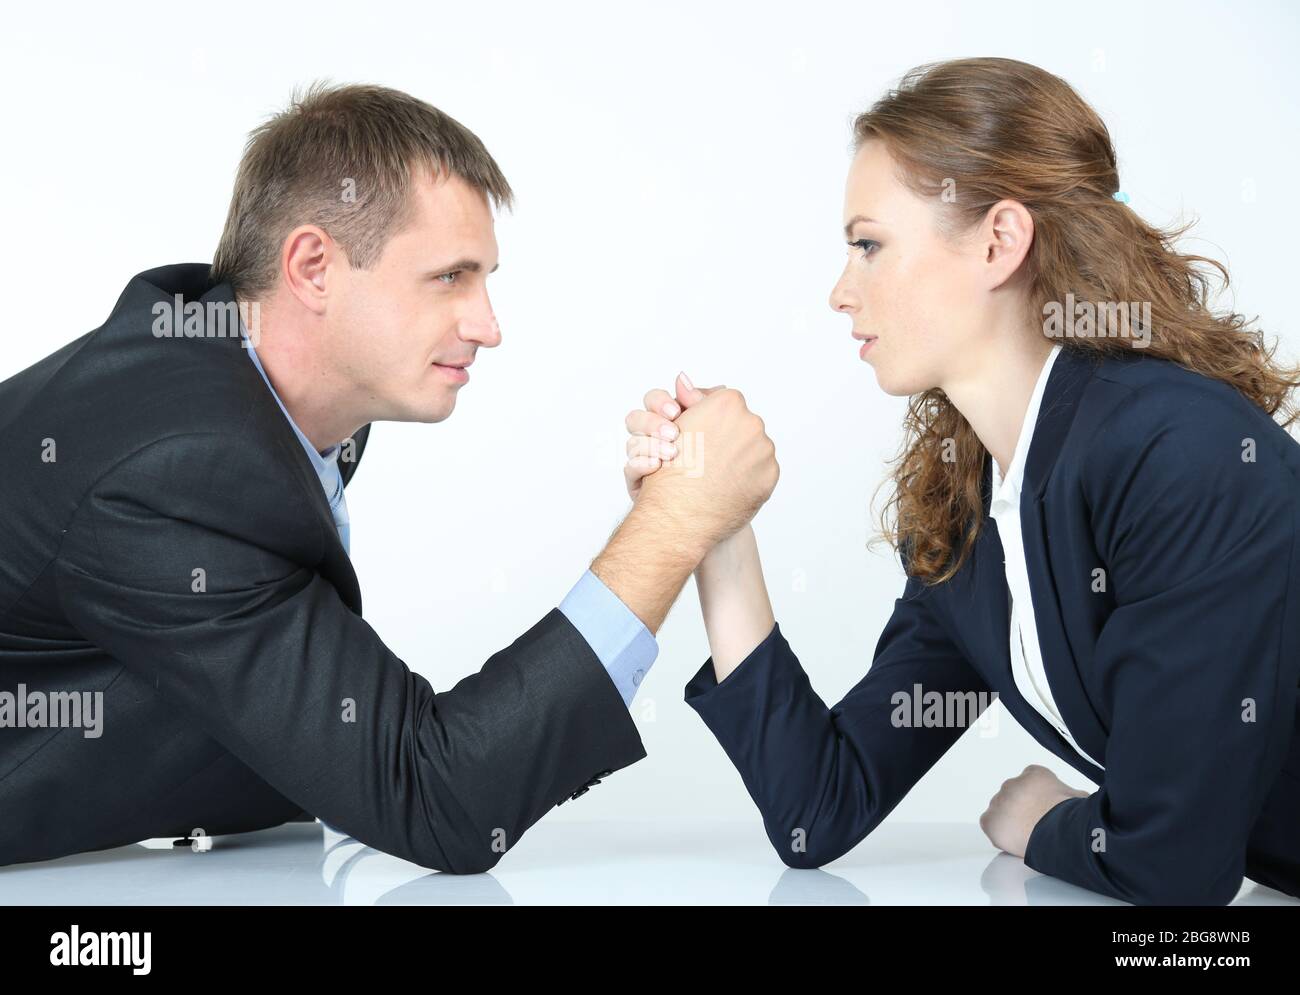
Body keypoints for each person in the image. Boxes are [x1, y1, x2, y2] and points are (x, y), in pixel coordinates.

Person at [0, 82, 778, 872]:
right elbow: (436, 796)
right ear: (312, 267)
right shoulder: (178, 468)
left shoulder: (271, 387)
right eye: (449, 278)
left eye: (487, 279)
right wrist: (672, 527)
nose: (489, 326)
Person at [623, 57, 1300, 905]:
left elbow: (1172, 866)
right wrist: (715, 531)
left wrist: (1048, 820)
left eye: (869, 245)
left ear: (998, 241)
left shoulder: (1179, 453)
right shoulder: (976, 515)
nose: (840, 291)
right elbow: (818, 811)